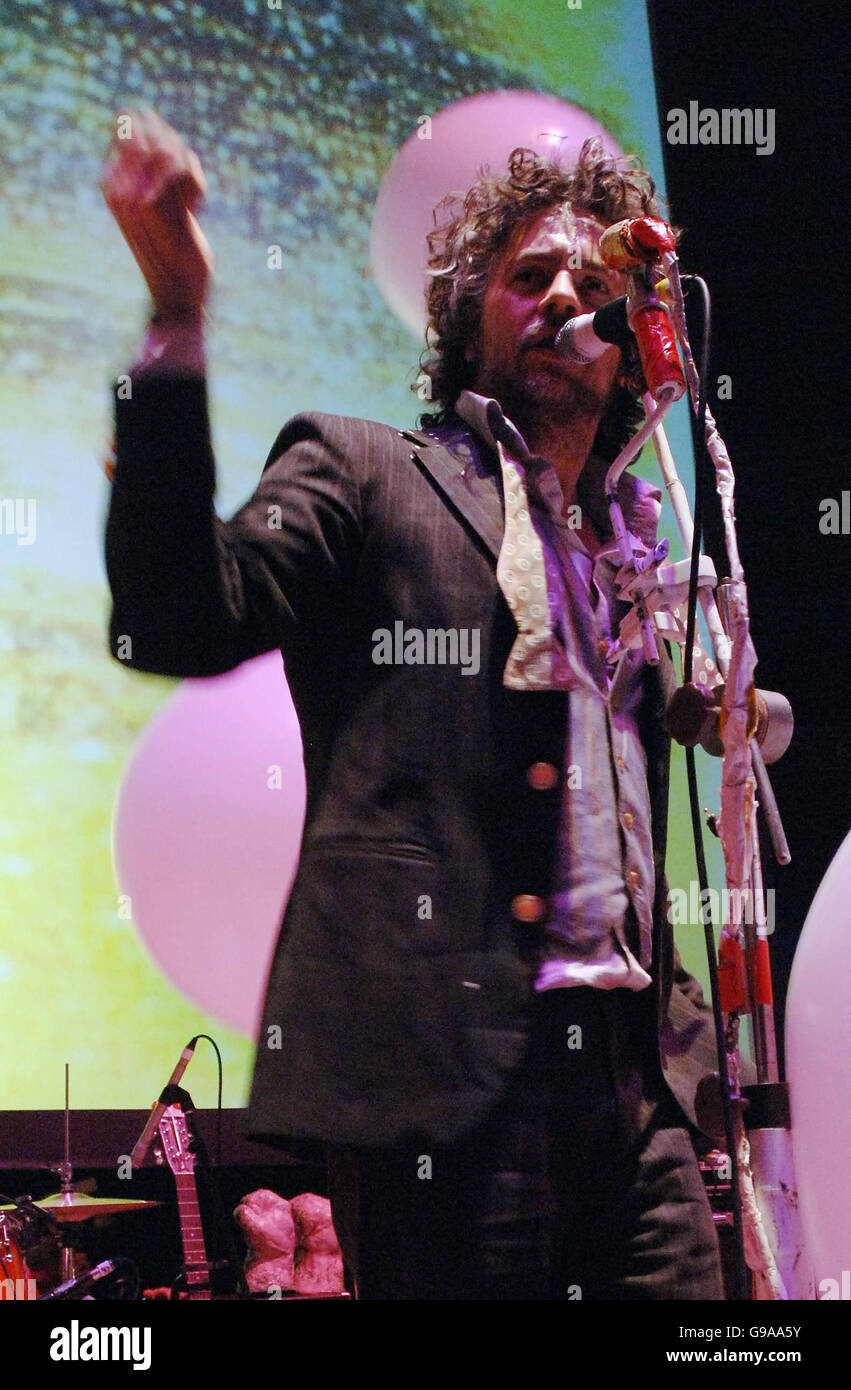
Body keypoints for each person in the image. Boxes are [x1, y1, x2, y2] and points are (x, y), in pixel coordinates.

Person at [102, 110, 727, 1300]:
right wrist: (176, 317)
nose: (561, 298)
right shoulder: (365, 472)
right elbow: (179, 615)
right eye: (528, 274)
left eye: (589, 280)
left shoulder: (635, 558)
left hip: (635, 1091)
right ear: (465, 318)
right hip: (451, 1083)